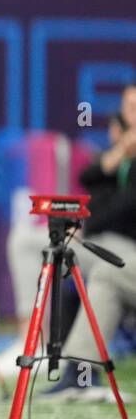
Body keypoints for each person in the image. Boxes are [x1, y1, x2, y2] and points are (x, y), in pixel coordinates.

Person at [43, 84, 136, 400]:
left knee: (98, 268)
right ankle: (78, 373)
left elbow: (125, 207)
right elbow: (89, 177)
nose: (131, 114)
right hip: (117, 251)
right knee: (64, 257)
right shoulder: (124, 155)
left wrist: (87, 226)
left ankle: (76, 370)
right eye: (128, 106)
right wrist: (121, 151)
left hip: (124, 247)